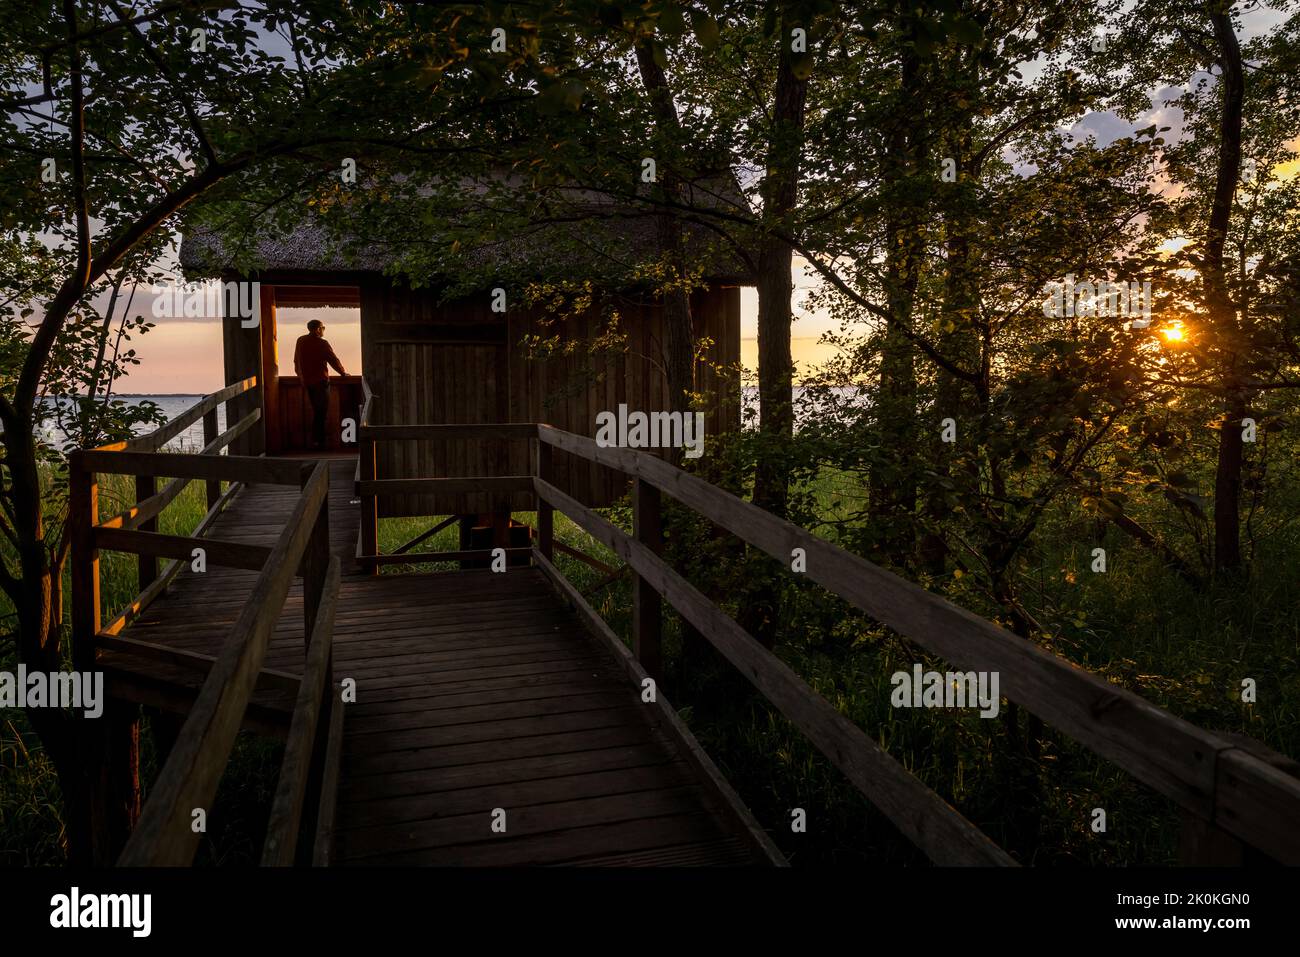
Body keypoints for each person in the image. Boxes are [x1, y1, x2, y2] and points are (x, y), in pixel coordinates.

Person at [293, 319, 347, 449]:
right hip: (320, 382)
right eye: (323, 327)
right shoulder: (322, 343)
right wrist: (343, 373)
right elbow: (333, 360)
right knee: (321, 413)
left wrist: (300, 376)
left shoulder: (300, 341)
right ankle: (319, 442)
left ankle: (317, 441)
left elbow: (296, 360)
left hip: (307, 382)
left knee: (318, 412)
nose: (323, 330)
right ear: (317, 329)